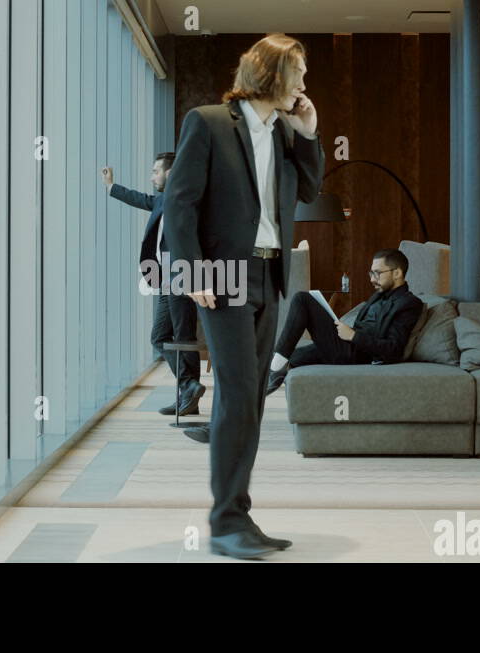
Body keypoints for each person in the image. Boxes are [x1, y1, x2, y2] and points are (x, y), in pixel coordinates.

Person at [163, 34, 325, 559]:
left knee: (251, 397)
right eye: (297, 73)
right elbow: (180, 204)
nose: (303, 84)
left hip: (270, 273)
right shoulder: (208, 122)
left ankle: (239, 513)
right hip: (224, 273)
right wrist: (193, 273)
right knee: (235, 394)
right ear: (271, 74)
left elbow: (310, 190)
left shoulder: (283, 132)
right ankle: (226, 522)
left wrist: (309, 133)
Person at [101, 155, 205, 417]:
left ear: (171, 172)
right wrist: (112, 186)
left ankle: (189, 390)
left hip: (182, 276)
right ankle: (188, 389)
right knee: (161, 337)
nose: (152, 176)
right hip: (165, 279)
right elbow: (143, 200)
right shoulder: (163, 200)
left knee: (183, 337)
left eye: (156, 171)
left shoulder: (185, 200)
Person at [266, 249, 425, 395]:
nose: (371, 279)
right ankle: (262, 383)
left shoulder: (409, 304)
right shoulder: (379, 295)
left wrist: (353, 336)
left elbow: (393, 349)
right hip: (346, 344)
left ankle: (275, 370)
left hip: (355, 353)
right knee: (290, 356)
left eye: (377, 273)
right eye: (371, 273)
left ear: (397, 273)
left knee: (302, 299)